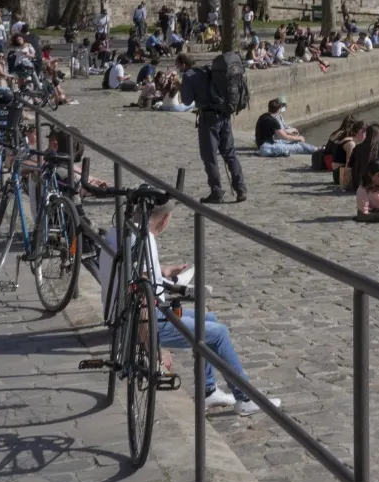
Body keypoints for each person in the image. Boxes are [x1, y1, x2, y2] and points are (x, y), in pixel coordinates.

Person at [99, 202, 280, 416]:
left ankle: (208, 391)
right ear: (165, 220)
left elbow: (137, 272)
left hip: (121, 314)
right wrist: (154, 345)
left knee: (209, 318)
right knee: (219, 333)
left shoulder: (121, 231)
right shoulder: (145, 239)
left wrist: (163, 270)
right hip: (141, 320)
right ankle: (246, 398)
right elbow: (140, 295)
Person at [182, 54, 247, 204]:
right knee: (230, 154)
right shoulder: (209, 70)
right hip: (225, 115)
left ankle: (216, 191)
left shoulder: (188, 75)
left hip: (209, 119)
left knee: (210, 157)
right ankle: (241, 189)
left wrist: (181, 87)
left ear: (183, 64)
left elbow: (186, 101)